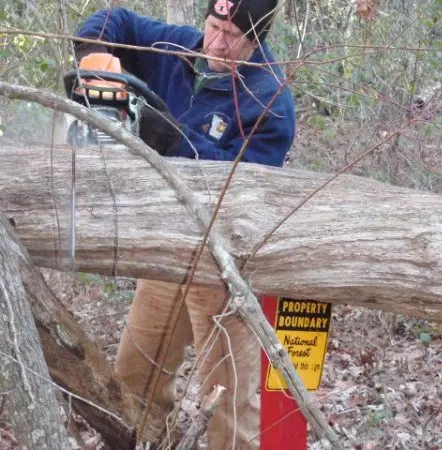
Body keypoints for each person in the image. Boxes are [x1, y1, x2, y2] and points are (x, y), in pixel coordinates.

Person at [75, 1, 295, 448]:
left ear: (257, 39)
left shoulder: (269, 100)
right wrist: (96, 53)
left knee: (229, 404)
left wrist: (172, 138)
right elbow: (118, 19)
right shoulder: (174, 48)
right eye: (213, 27)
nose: (215, 43)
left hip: (223, 262)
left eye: (231, 37)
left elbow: (244, 184)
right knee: (136, 378)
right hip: (167, 248)